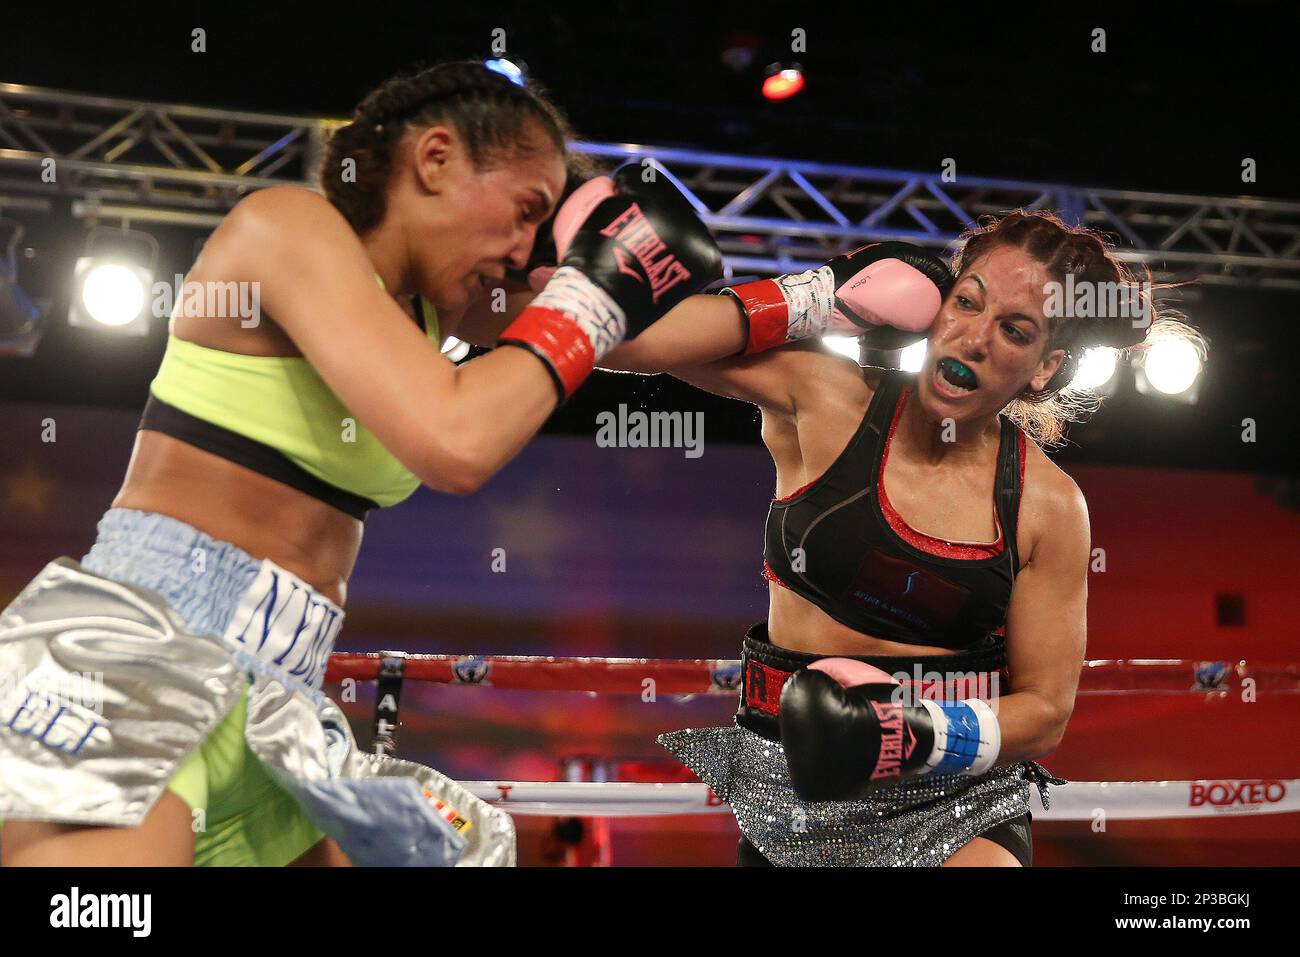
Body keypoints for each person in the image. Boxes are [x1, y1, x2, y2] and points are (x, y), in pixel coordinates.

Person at [0, 60, 721, 867]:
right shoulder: (286, 228)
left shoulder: (435, 310)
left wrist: (814, 298)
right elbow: (457, 441)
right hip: (145, 652)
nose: (525, 248)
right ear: (436, 158)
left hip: (278, 699)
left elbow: (662, 337)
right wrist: (594, 286)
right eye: (524, 211)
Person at [599, 210, 1205, 866]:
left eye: (1014, 329)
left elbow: (1046, 710)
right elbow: (621, 339)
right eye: (966, 302)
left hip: (955, 796)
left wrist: (914, 733)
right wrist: (815, 295)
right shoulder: (828, 396)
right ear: (936, 308)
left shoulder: (1049, 504)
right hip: (788, 785)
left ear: (1044, 365)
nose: (973, 338)